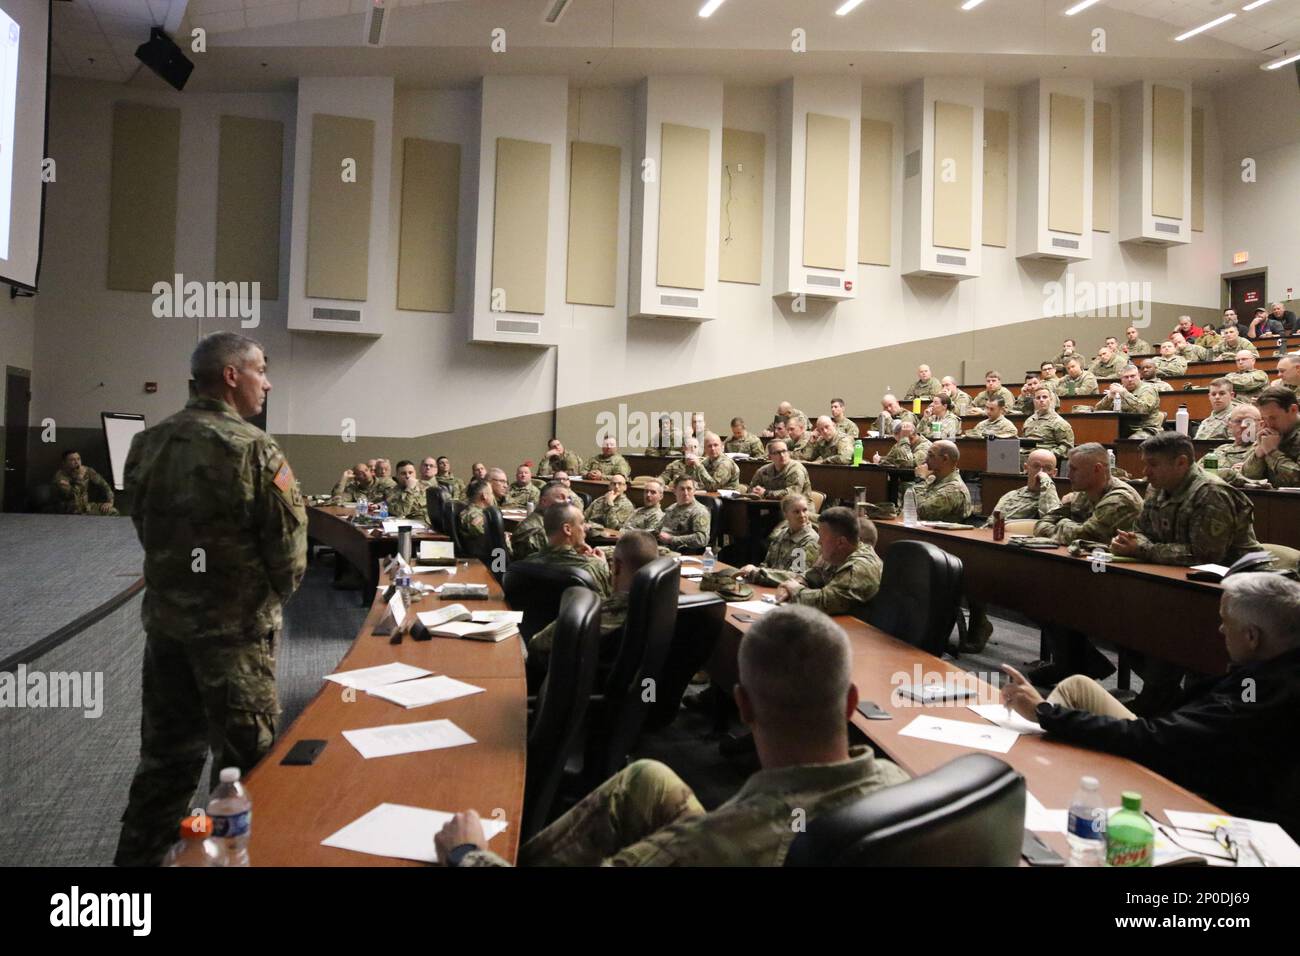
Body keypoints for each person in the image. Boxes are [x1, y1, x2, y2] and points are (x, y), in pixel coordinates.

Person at [434, 604, 908, 866]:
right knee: (646, 779)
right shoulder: (904, 787)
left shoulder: (707, 847)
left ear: (743, 707)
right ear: (849, 701)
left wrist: (467, 853)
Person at [114, 331, 307, 867]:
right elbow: (289, 558)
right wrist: (264, 604)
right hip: (236, 641)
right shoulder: (254, 448)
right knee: (248, 770)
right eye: (260, 371)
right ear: (230, 376)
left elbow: (145, 528)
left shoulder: (147, 443)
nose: (266, 382)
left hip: (168, 632)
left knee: (165, 763)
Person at [1001, 574, 1300, 838]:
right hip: (1181, 742)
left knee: (1062, 720)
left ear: (1252, 637)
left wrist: (1046, 713)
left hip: (1191, 784)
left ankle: (1037, 789)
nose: (1221, 630)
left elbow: (1154, 739)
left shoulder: (1262, 695)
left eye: (1226, 622)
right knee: (1077, 685)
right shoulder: (1267, 671)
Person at [1110, 432, 1262, 566]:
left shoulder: (1211, 492)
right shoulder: (1156, 488)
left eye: (1153, 464)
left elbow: (1204, 556)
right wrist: (1128, 543)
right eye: (1145, 464)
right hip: (1180, 574)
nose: (1146, 472)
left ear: (1181, 463)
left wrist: (1141, 549)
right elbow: (1141, 532)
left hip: (1240, 577)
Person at [526, 531, 660, 682]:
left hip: (581, 690)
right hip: (639, 688)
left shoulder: (595, 613)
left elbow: (536, 644)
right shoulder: (663, 605)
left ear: (616, 567)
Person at [773, 508, 883, 616]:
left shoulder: (859, 567)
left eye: (822, 537)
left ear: (840, 542)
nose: (819, 542)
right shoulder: (837, 554)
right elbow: (811, 576)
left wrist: (795, 589)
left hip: (859, 630)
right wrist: (795, 583)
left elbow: (825, 602)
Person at [1034, 442, 1143, 545]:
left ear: (1097, 469)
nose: (1069, 475)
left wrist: (1063, 522)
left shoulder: (1120, 499)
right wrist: (1069, 530)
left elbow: (1085, 536)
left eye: (1074, 469)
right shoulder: (1082, 493)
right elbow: (1041, 524)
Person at [518, 501, 613, 597]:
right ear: (568, 529)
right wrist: (603, 567)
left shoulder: (526, 563)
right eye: (582, 523)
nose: (585, 528)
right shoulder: (591, 567)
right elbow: (610, 607)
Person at [736, 494, 821, 585]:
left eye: (805, 510)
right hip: (769, 584)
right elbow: (767, 564)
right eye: (796, 512)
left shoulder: (810, 540)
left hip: (789, 590)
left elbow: (797, 577)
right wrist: (755, 571)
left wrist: (756, 573)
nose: (802, 515)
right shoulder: (781, 534)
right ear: (785, 514)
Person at [1241, 385, 1300, 487]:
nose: (1269, 424)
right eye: (1264, 418)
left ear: (1293, 410)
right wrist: (1259, 453)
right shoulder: (1268, 433)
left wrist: (1272, 452)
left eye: (1273, 418)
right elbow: (1246, 477)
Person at [990, 449, 1060, 520]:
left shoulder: (1052, 501)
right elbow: (992, 521)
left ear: (1054, 473)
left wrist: (1046, 481)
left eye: (1048, 468)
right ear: (1026, 468)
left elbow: (1052, 519)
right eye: (1036, 466)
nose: (1040, 472)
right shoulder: (1011, 495)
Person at [1097, 365, 1164, 438]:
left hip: (1146, 428)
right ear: (1121, 379)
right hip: (1123, 427)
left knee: (1134, 438)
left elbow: (1143, 410)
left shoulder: (1148, 389)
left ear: (1139, 376)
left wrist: (1124, 393)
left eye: (1132, 376)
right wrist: (1109, 397)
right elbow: (1098, 410)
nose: (1129, 379)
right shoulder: (1119, 389)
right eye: (1126, 377)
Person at [911, 440, 972, 520]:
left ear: (945, 459)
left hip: (936, 532)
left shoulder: (954, 489)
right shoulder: (932, 479)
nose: (925, 460)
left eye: (931, 455)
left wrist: (920, 479)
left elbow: (921, 512)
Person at [510, 482, 571, 560]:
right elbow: (551, 564)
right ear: (544, 501)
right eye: (561, 498)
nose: (567, 502)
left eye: (568, 498)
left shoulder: (550, 522)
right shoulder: (536, 531)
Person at [1200, 404, 1260, 479]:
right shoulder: (1221, 449)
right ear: (1230, 424)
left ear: (1261, 424)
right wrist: (1229, 472)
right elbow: (1198, 472)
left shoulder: (1261, 450)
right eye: (1238, 421)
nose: (1243, 426)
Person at [51, 450, 118, 515]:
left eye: (78, 459)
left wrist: (110, 502)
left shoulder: (86, 471)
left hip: (85, 508)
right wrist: (79, 479)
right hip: (69, 512)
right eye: (72, 460)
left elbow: (104, 485)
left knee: (112, 511)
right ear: (64, 463)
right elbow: (71, 495)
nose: (77, 462)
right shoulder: (60, 477)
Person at [657, 476, 711, 552]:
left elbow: (702, 539)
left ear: (694, 490)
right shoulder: (671, 508)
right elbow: (658, 529)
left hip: (679, 551)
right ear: (674, 491)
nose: (686, 493)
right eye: (682, 489)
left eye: (689, 489)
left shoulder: (699, 511)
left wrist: (671, 539)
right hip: (661, 547)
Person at [1021, 386, 1075, 457]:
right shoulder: (1029, 421)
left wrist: (1050, 454)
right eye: (1038, 398)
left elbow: (1067, 446)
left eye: (1044, 397)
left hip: (1046, 459)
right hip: (1026, 457)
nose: (1041, 400)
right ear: (1034, 401)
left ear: (1051, 399)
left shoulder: (1059, 422)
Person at [749, 440, 813, 500]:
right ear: (770, 456)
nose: (782, 455)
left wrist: (766, 493)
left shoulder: (796, 469)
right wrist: (755, 491)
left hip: (799, 509)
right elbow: (751, 490)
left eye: (784, 451)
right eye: (777, 452)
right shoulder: (763, 471)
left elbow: (792, 494)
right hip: (772, 506)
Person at [458, 478, 494, 543]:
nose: (492, 496)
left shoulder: (469, 511)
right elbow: (486, 538)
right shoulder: (474, 515)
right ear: (484, 496)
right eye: (491, 493)